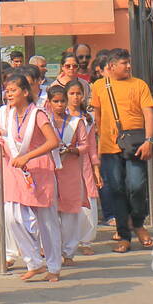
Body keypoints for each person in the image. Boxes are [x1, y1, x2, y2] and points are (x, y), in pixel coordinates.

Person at [0, 72, 64, 282]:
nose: (9, 94)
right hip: (17, 172)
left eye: (13, 90)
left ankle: (54, 267)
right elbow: (6, 133)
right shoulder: (8, 114)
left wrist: (28, 156)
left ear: (25, 92)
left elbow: (53, 142)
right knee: (12, 216)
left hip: (40, 169)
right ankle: (34, 261)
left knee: (47, 222)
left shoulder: (38, 114)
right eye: (7, 90)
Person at [89, 49, 153, 251]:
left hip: (136, 144)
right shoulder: (100, 86)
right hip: (109, 147)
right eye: (123, 63)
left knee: (136, 185)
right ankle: (124, 235)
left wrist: (149, 140)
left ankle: (137, 223)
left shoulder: (139, 85)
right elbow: (97, 118)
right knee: (116, 189)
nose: (128, 66)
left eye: (128, 62)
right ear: (110, 66)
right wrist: (99, 148)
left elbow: (149, 114)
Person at [48, 82, 91, 266]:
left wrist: (72, 150)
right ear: (49, 103)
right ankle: (51, 250)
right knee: (49, 213)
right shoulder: (45, 122)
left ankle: (69, 252)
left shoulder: (76, 122)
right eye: (56, 101)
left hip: (71, 170)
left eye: (62, 101)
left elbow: (85, 145)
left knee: (70, 214)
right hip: (50, 170)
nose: (60, 105)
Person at [66, 80, 101, 256]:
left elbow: (92, 145)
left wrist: (96, 168)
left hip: (84, 162)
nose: (75, 97)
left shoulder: (88, 118)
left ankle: (86, 240)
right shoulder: (60, 117)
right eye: (71, 93)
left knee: (89, 199)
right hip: (66, 163)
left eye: (78, 93)